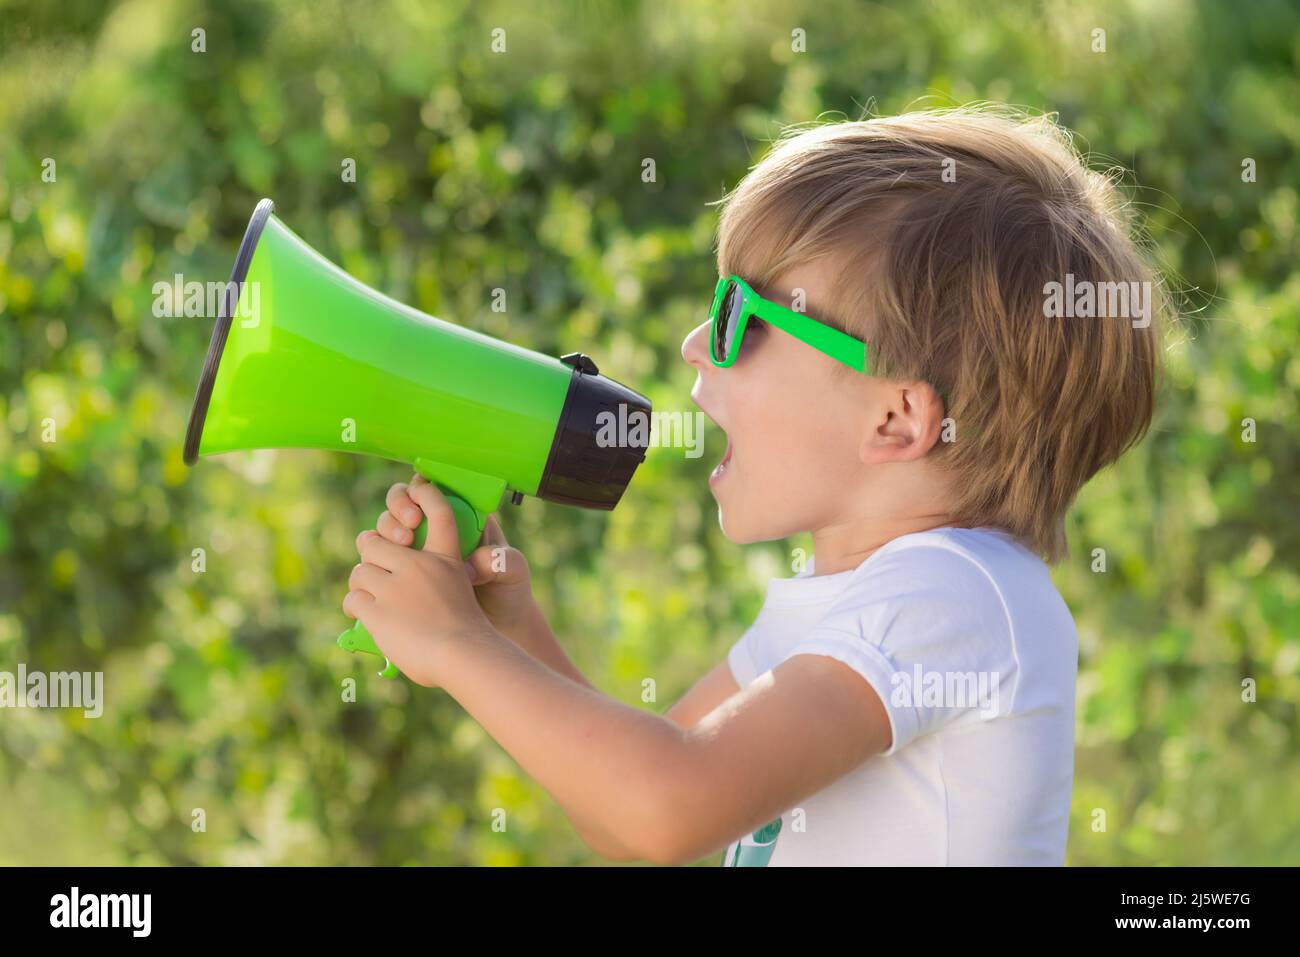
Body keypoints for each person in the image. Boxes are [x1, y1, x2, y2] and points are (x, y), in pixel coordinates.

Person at [342, 105, 1164, 866]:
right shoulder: (838, 602)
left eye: (746, 318)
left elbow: (668, 806)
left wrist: (457, 647)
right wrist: (511, 629)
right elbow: (621, 815)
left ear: (896, 418)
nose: (699, 341)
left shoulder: (957, 595)